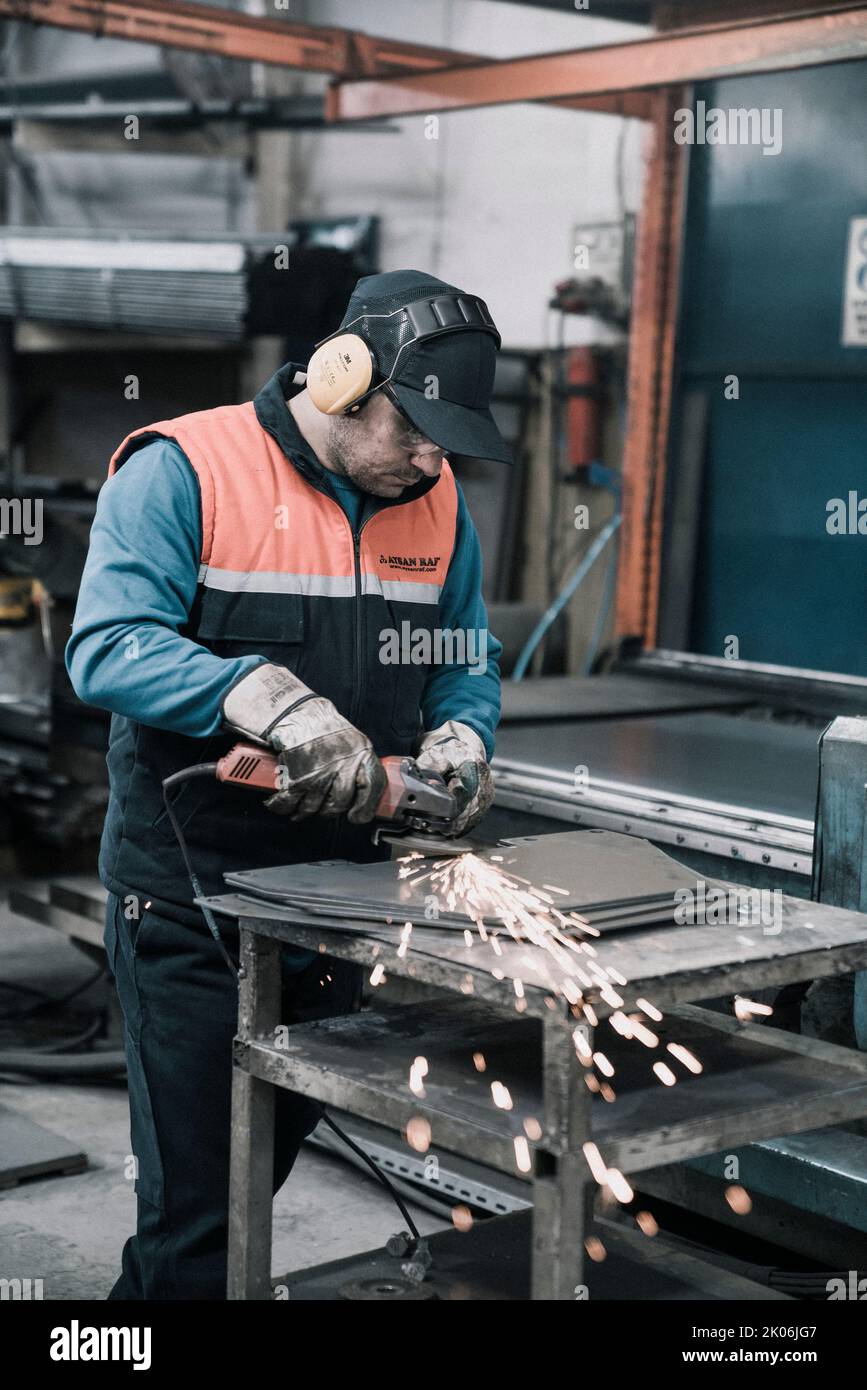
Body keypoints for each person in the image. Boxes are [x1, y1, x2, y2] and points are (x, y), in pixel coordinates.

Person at [66, 267, 508, 1299]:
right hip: (192, 895)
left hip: (343, 900)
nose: (433, 456)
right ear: (343, 376)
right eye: (415, 427)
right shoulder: (186, 469)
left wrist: (463, 736)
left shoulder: (435, 500)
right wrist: (271, 698)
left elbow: (464, 650)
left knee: (249, 1175)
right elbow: (107, 648)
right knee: (198, 1214)